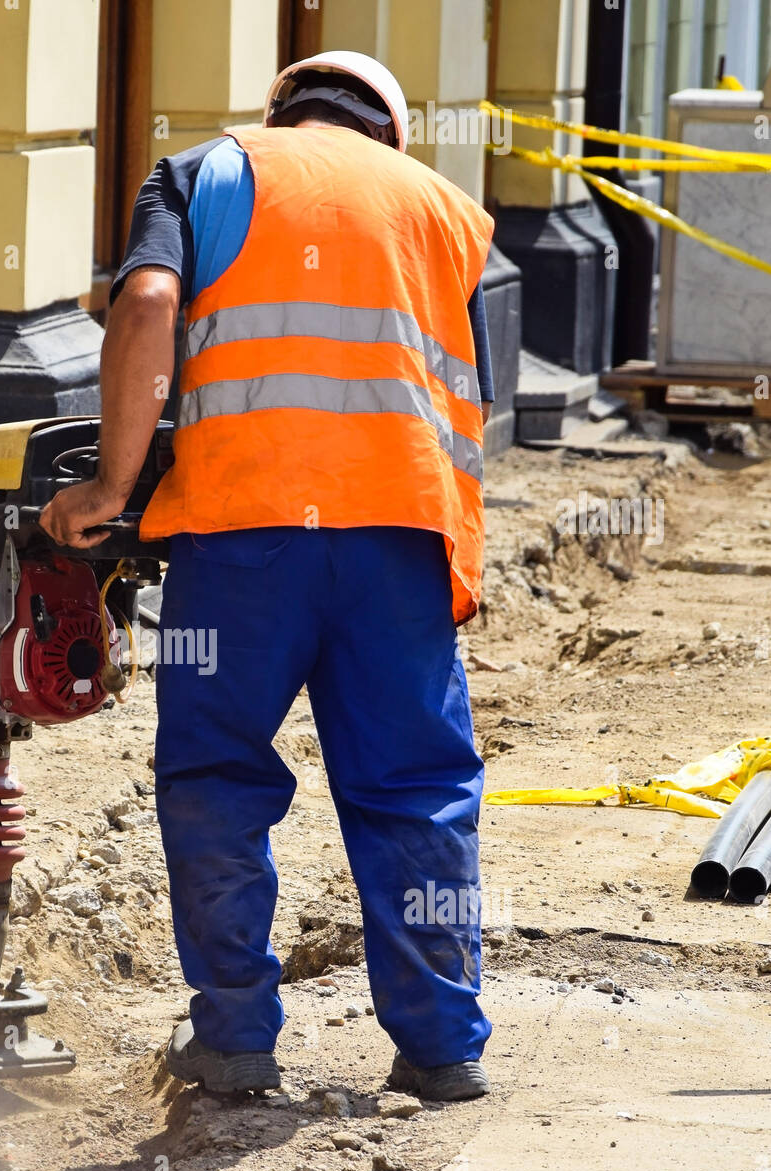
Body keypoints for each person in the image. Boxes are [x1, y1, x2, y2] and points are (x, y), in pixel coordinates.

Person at [40, 52, 494, 1102]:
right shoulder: (446, 210)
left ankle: (237, 1040)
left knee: (218, 778)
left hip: (241, 539)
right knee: (417, 792)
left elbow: (147, 302)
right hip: (399, 545)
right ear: (387, 130)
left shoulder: (208, 173)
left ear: (279, 111)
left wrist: (113, 482)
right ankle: (442, 1047)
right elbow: (468, 406)